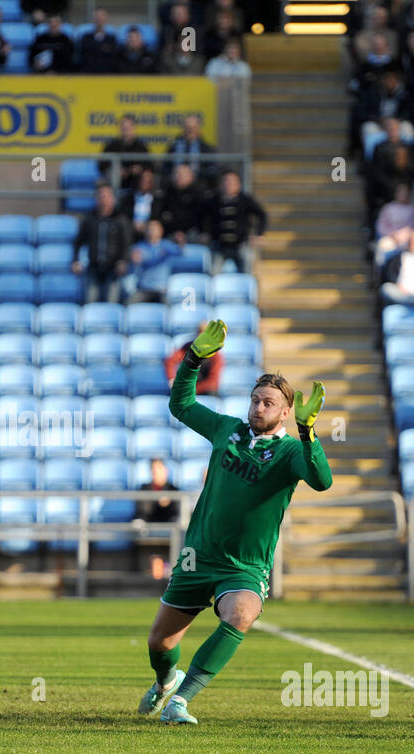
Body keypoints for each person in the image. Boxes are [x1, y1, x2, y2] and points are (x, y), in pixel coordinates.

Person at [138, 322, 333, 725]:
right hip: (198, 555)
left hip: (245, 566)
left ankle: (181, 701)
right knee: (160, 642)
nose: (259, 408)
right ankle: (163, 684)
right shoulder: (227, 430)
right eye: (256, 400)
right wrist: (193, 359)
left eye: (268, 404)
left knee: (241, 613)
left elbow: (321, 480)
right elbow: (181, 405)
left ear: (285, 412)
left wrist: (310, 433)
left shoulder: (291, 452)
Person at [72, 183, 133, 304]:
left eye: (106, 196)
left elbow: (127, 243)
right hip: (94, 266)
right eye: (100, 196)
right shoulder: (90, 219)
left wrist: (123, 261)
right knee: (90, 301)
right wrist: (75, 260)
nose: (103, 199)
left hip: (113, 268)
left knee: (111, 302)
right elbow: (78, 241)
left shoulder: (120, 219)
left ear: (112, 198)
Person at [205, 169, 265, 274]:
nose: (228, 184)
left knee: (248, 272)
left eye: (232, 181)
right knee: (212, 274)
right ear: (220, 184)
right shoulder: (213, 200)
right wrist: (203, 232)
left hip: (241, 245)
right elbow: (200, 215)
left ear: (238, 184)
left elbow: (261, 215)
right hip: (219, 246)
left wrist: (259, 233)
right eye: (226, 181)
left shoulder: (245, 200)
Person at [128, 218, 179, 304]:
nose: (151, 232)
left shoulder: (166, 245)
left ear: (161, 231)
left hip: (161, 289)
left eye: (154, 229)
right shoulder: (138, 247)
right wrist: (133, 261)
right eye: (149, 229)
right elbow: (131, 269)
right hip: (143, 289)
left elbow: (180, 252)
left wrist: (180, 242)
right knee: (129, 305)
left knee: (168, 309)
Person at [163, 114, 217, 190]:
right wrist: (173, 175)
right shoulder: (173, 147)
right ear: (183, 128)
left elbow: (212, 168)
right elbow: (165, 166)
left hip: (198, 184)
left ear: (198, 128)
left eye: (193, 128)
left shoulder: (206, 149)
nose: (190, 130)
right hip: (175, 183)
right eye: (188, 127)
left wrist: (192, 176)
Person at [99, 114, 152, 192]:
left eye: (128, 126)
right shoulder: (111, 146)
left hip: (135, 182)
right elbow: (102, 164)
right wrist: (117, 170)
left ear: (133, 127)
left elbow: (149, 165)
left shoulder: (141, 147)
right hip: (117, 181)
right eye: (123, 126)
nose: (125, 128)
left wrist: (139, 169)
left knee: (145, 176)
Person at [379, 227, 414, 307]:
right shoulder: (398, 258)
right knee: (387, 289)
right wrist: (398, 286)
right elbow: (390, 276)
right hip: (404, 294)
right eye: (412, 241)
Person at [78, 6, 119, 73]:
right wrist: (103, 48)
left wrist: (95, 48)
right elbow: (85, 56)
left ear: (106, 18)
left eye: (102, 15)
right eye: (97, 15)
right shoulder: (85, 37)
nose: (99, 18)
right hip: (89, 73)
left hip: (107, 74)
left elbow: (112, 57)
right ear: (93, 18)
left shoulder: (112, 39)